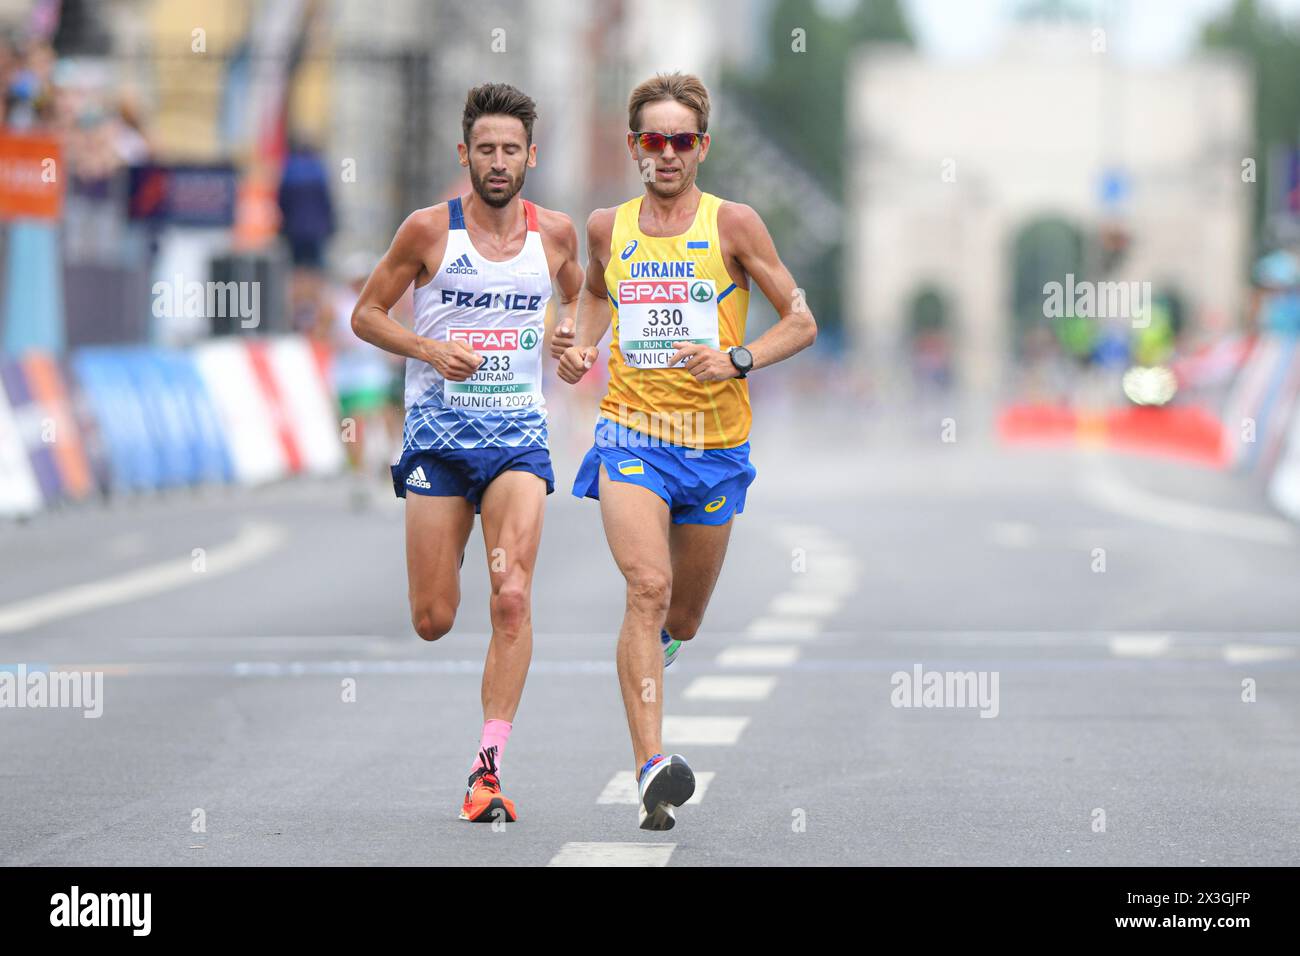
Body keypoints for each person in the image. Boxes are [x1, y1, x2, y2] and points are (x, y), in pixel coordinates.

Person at [554, 72, 817, 830]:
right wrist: (580, 348)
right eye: (651, 140)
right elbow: (597, 295)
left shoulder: (734, 224)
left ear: (701, 147)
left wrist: (741, 360)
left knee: (685, 618)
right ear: (634, 146)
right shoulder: (609, 224)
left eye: (681, 141)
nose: (665, 154)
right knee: (646, 586)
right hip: (632, 433)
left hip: (715, 444)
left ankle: (656, 652)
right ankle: (650, 767)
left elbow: (799, 321)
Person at [352, 83, 582, 823]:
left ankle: (486, 770)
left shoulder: (556, 236)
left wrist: (568, 341)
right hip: (438, 443)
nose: (498, 161)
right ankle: (445, 541)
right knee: (433, 617)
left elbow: (578, 296)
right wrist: (426, 347)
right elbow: (365, 313)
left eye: (511, 150)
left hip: (518, 439)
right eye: (485, 149)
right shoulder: (426, 232)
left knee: (511, 598)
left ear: (530, 158)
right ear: (465, 155)